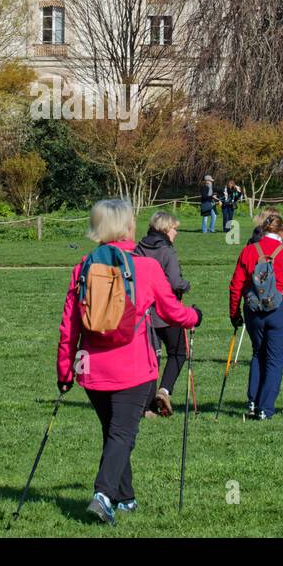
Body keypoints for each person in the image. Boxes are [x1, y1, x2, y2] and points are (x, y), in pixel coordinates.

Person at [57, 199, 202, 525]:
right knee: (122, 435)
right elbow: (172, 312)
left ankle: (126, 498)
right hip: (133, 369)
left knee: (113, 432)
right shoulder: (146, 268)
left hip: (92, 370)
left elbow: (70, 327)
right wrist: (195, 316)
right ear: (126, 226)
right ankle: (103, 495)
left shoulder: (82, 267)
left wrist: (65, 371)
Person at [228, 213, 283, 420]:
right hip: (280, 309)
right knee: (274, 360)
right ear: (281, 231)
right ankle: (265, 408)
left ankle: (252, 402)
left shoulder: (248, 251)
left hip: (253, 310)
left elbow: (236, 285)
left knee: (258, 354)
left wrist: (234, 313)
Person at [134, 210, 192, 417]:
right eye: (175, 228)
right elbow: (176, 282)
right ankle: (164, 390)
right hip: (167, 311)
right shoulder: (168, 251)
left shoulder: (138, 248)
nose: (176, 233)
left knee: (151, 358)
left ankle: (147, 405)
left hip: (144, 313)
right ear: (166, 229)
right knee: (179, 352)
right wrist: (186, 286)